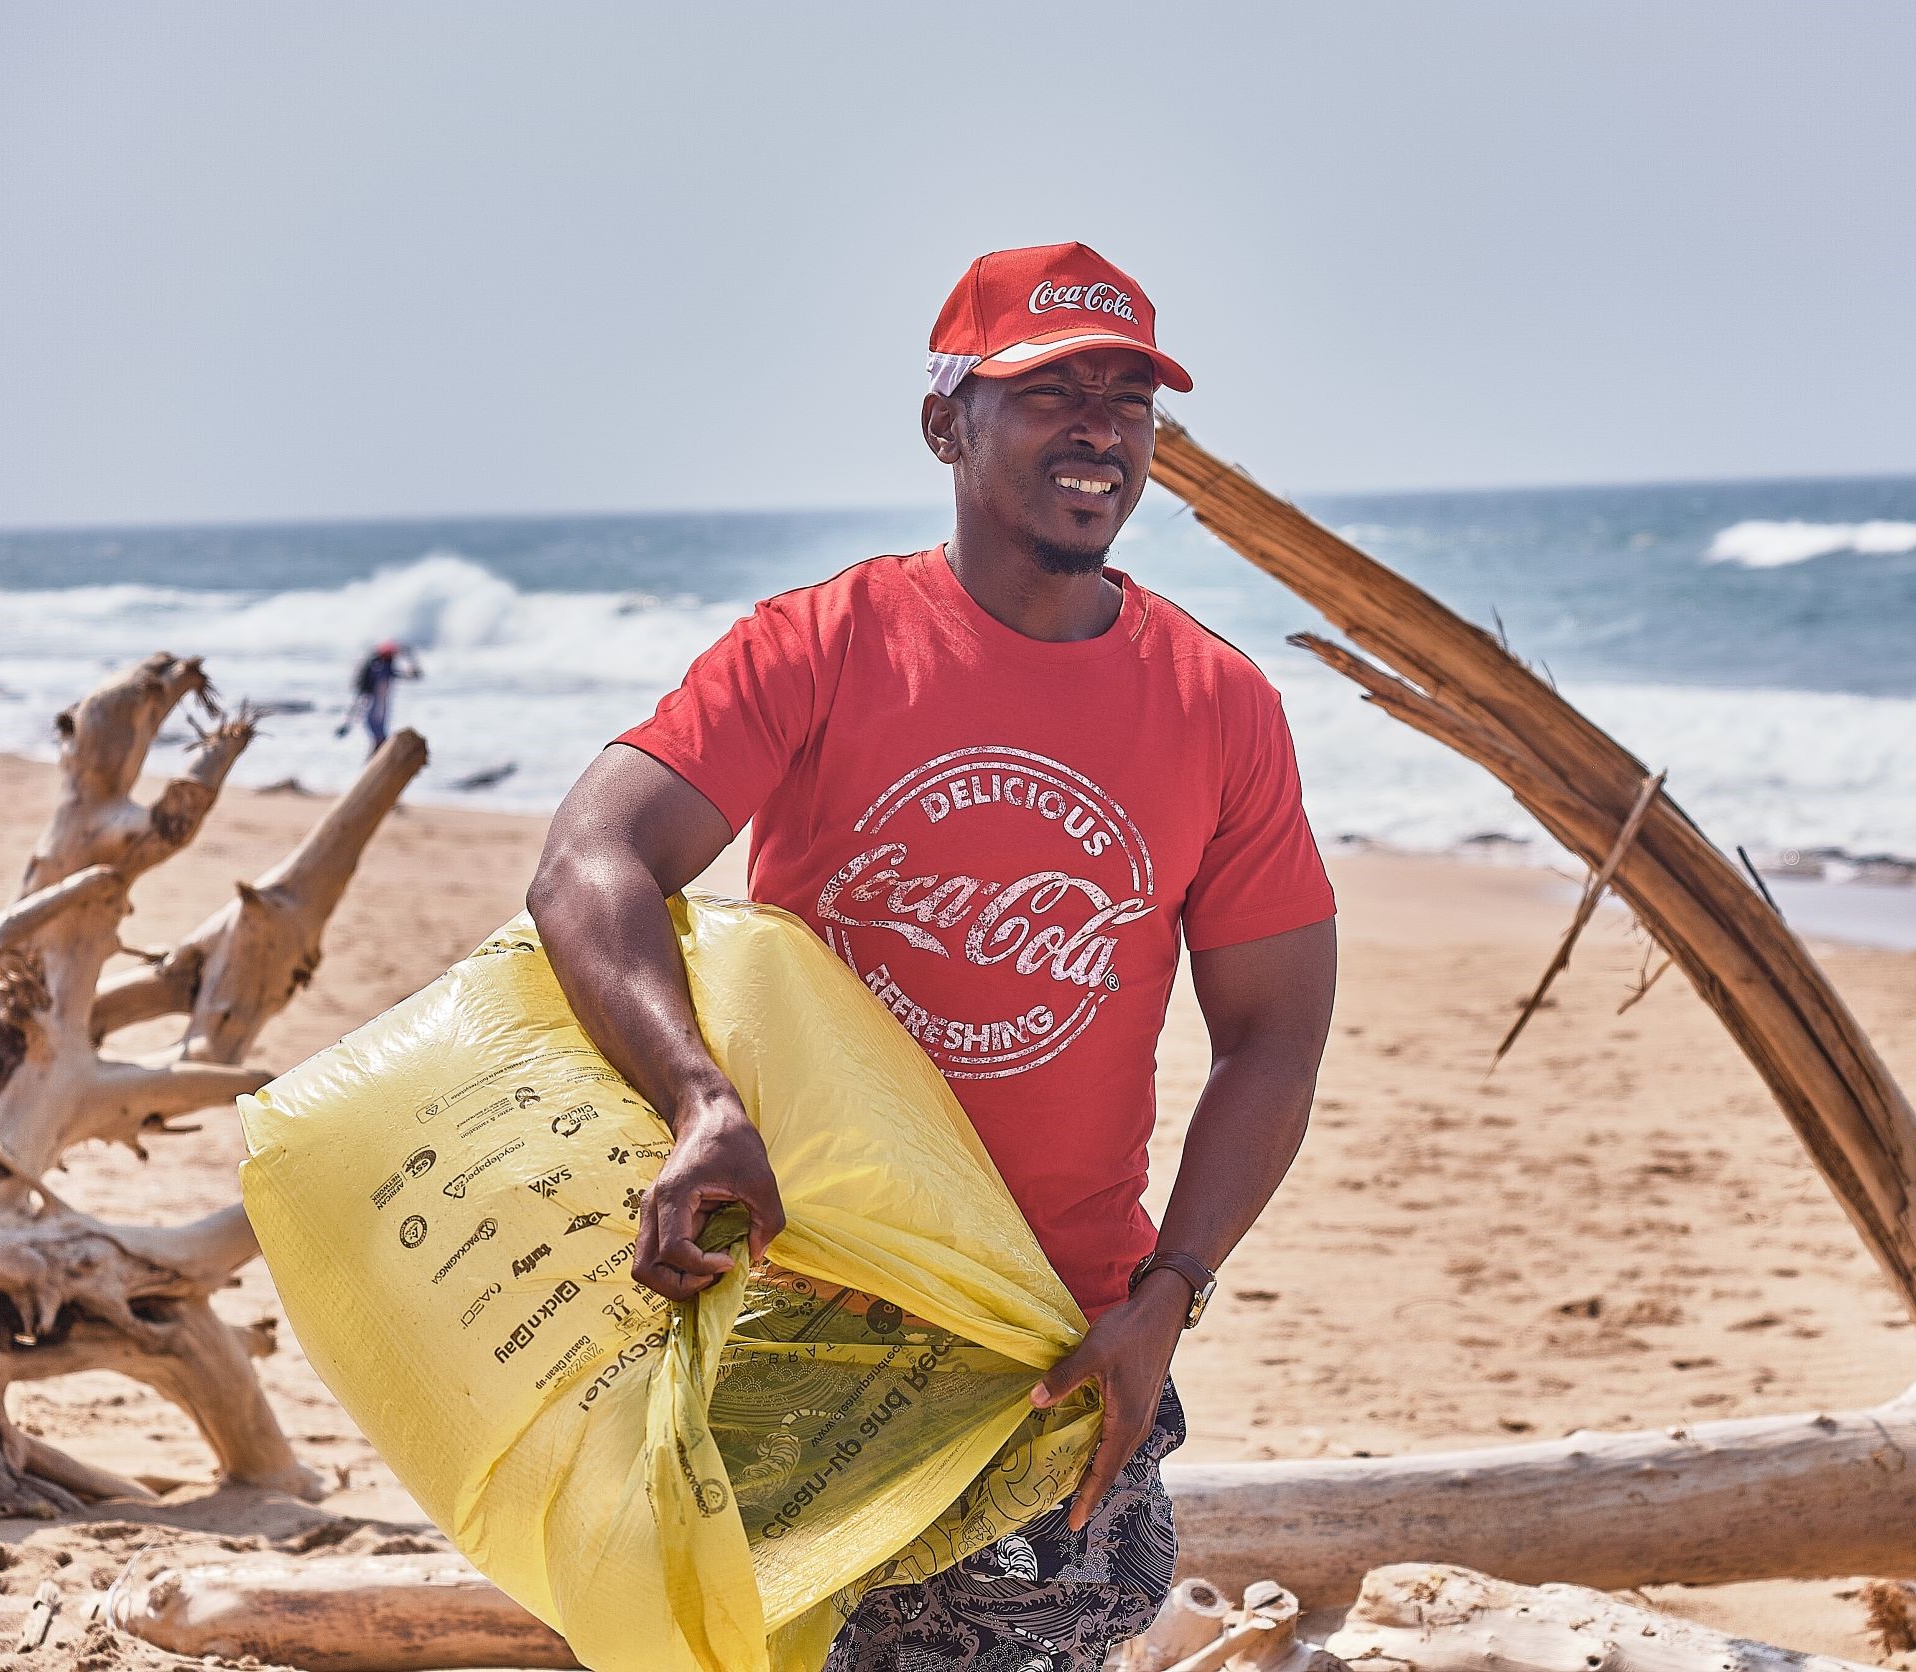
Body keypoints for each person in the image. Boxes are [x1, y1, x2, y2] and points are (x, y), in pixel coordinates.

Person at [527, 242, 1338, 1672]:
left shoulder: (1220, 706)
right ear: (945, 424)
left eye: (1127, 398)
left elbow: (1274, 1031)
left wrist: (1168, 1298)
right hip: (786, 1311)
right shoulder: (820, 648)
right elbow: (592, 864)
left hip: (1048, 1354)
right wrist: (699, 1102)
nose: (1098, 427)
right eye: (1049, 392)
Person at [343, 639, 420, 752]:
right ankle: (377, 763)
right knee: (380, 738)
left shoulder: (376, 667)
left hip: (375, 707)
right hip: (377, 708)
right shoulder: (383, 669)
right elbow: (414, 675)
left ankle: (375, 762)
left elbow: (360, 696)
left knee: (378, 738)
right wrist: (410, 657)